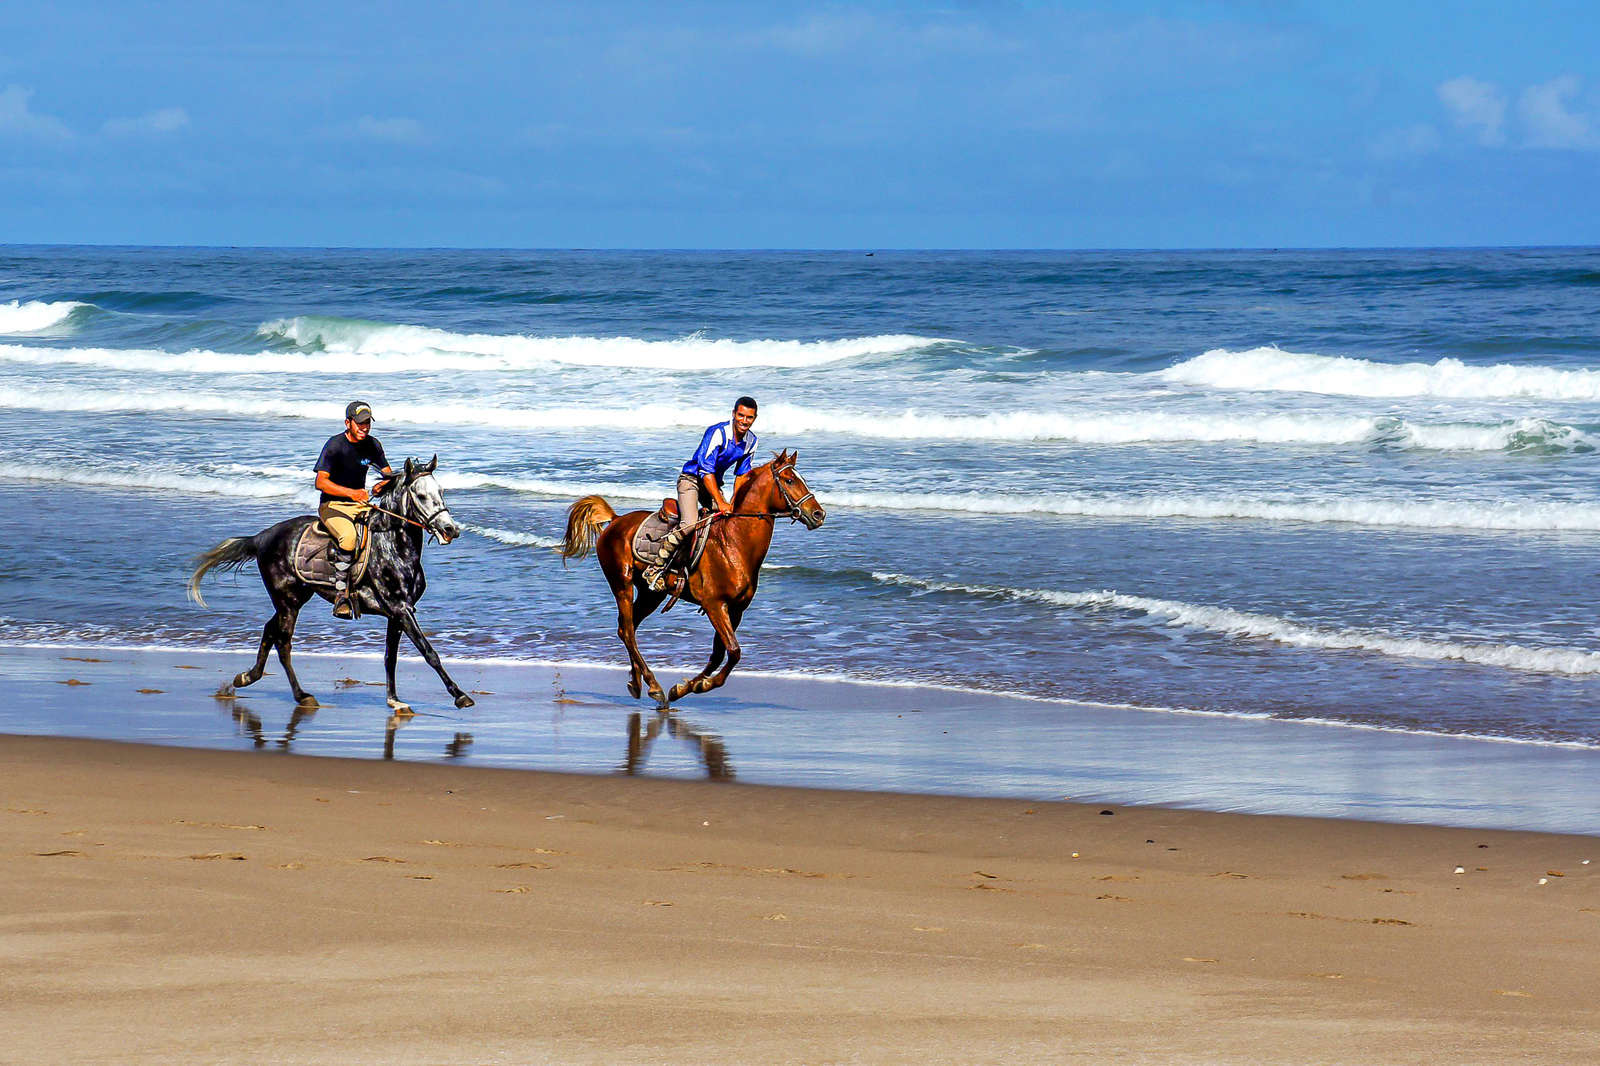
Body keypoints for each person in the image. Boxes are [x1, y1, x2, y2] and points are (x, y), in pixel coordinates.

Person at [643, 396, 760, 592]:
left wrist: (733, 502)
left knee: (731, 520)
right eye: (741, 415)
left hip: (712, 484)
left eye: (749, 417)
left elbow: (741, 476)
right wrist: (720, 501)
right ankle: (655, 568)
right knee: (689, 524)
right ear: (734, 414)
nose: (744, 421)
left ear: (754, 419)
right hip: (692, 480)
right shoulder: (718, 433)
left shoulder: (751, 442)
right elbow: (706, 472)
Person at [313, 401, 394, 619]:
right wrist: (351, 493)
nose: (364, 428)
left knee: (387, 527)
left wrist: (383, 485)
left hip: (360, 505)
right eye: (360, 423)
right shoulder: (335, 445)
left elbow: (388, 474)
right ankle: (341, 595)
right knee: (348, 538)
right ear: (348, 423)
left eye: (367, 423)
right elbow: (320, 482)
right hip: (332, 505)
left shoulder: (373, 445)